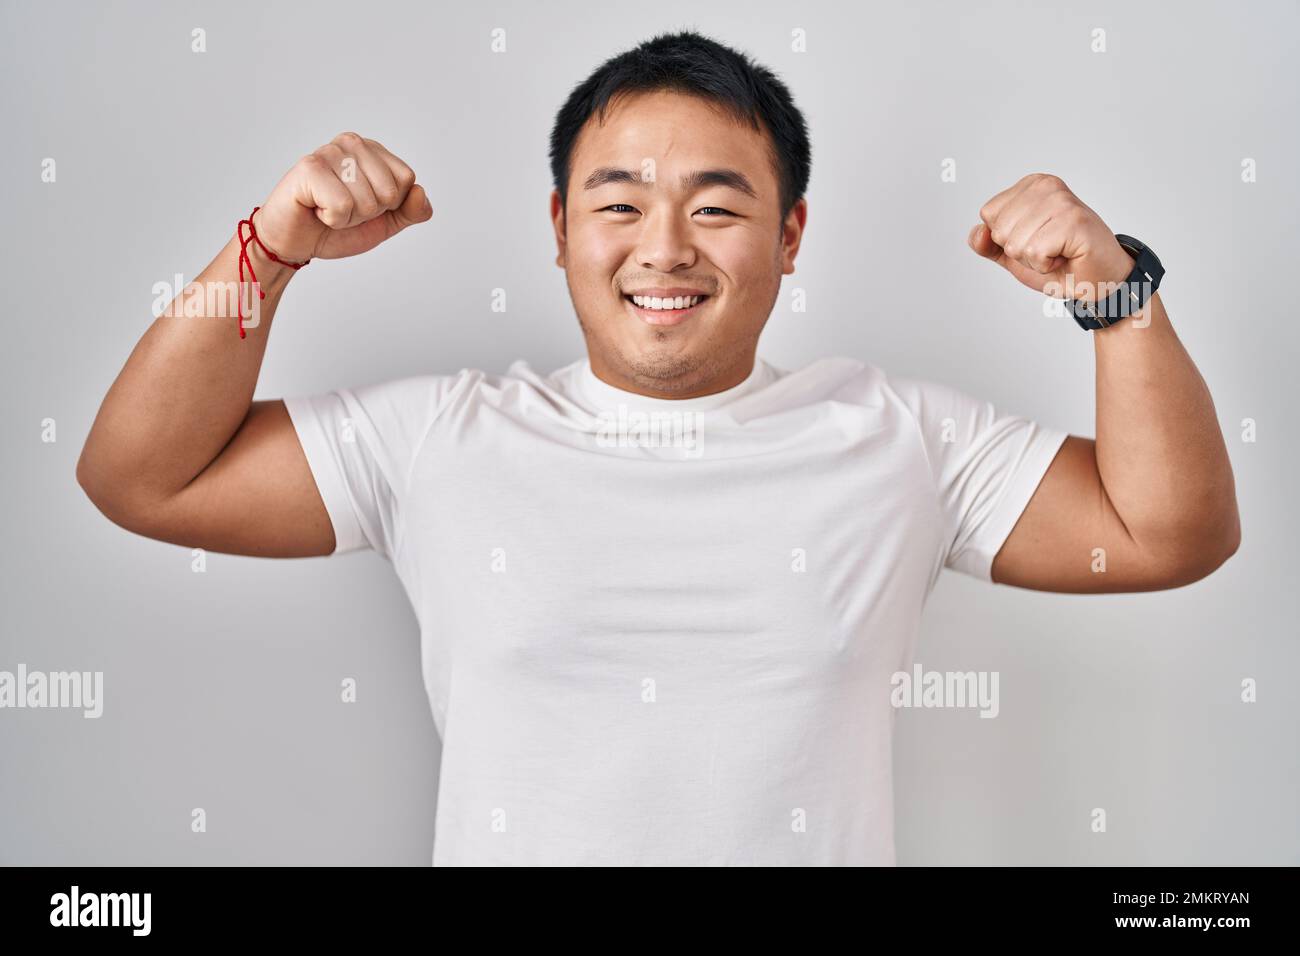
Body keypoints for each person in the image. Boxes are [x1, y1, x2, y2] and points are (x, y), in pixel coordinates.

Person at [76, 30, 1240, 865]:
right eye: (619, 202)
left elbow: (1166, 530)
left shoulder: (898, 437)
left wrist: (1115, 294)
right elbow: (141, 473)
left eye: (719, 208)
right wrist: (266, 250)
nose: (665, 247)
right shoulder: (441, 435)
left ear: (789, 238)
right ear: (559, 229)